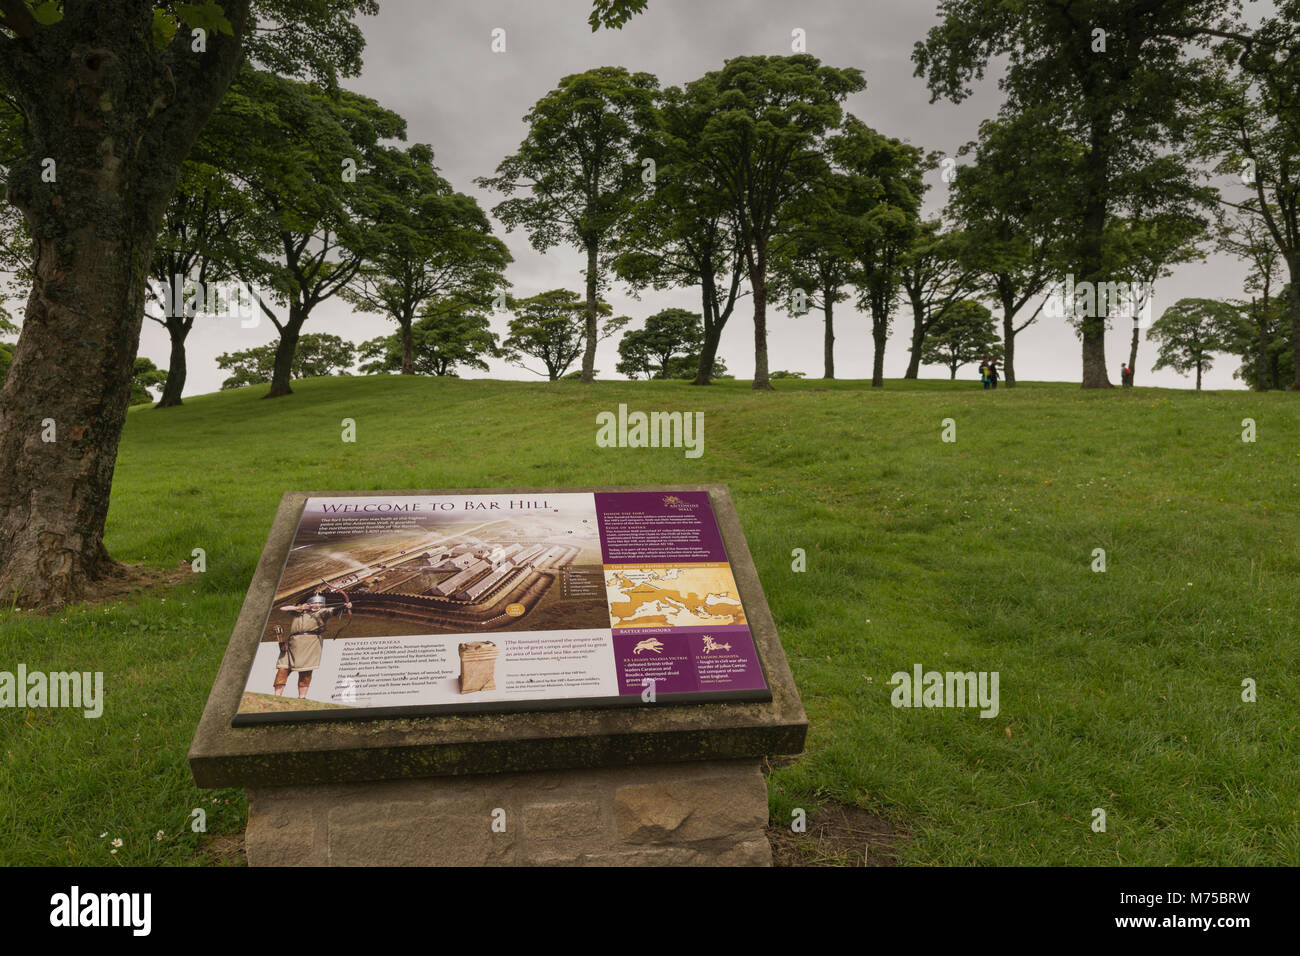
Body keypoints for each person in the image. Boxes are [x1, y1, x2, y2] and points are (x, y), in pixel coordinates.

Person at [273, 592, 351, 698]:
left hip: (311, 643)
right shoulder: (299, 612)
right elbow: (283, 608)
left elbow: (332, 610)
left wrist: (344, 606)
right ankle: (277, 696)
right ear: (309, 604)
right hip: (292, 643)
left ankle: (302, 697)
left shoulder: (322, 612)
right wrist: (300, 607)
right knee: (283, 668)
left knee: (306, 670)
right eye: (315, 603)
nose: (318, 605)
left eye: (320, 603)